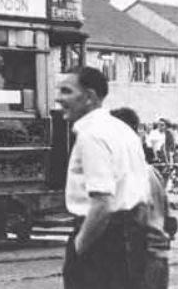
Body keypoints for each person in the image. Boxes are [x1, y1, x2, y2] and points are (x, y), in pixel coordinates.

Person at [56, 66, 150, 289]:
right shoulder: (123, 130)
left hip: (102, 242)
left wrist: (78, 248)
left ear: (89, 97)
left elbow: (102, 203)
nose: (59, 99)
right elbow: (143, 195)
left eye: (66, 91)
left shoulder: (92, 135)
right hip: (131, 236)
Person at [111, 107, 177, 289]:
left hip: (139, 261)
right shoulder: (151, 172)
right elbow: (168, 219)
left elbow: (132, 224)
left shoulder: (127, 174)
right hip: (158, 258)